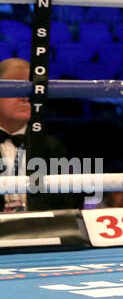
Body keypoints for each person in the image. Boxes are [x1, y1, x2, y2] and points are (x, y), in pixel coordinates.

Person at [0, 58, 82, 213]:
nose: (25, 97)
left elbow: (69, 201)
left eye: (29, 89)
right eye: (16, 88)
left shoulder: (52, 147)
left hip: (40, 230)